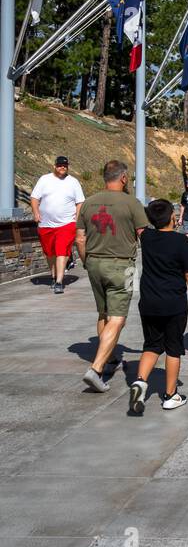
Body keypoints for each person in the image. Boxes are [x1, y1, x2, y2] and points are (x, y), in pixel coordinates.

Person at [75, 160, 149, 392]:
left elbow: (79, 238)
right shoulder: (132, 203)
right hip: (124, 265)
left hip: (94, 263)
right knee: (119, 317)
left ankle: (109, 359)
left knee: (104, 312)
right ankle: (96, 369)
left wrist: (87, 261)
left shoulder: (88, 203)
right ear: (124, 178)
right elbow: (143, 235)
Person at [128, 198, 188, 414]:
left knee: (151, 345)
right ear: (172, 217)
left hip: (149, 302)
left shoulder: (147, 238)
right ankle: (170, 395)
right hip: (174, 304)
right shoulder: (182, 242)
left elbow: (138, 222)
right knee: (173, 348)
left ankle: (140, 383)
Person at [30, 155, 85, 294]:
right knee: (50, 253)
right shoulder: (44, 179)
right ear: (54, 166)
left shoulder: (73, 182)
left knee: (62, 250)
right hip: (46, 224)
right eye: (60, 165)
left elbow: (80, 202)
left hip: (67, 224)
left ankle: (59, 281)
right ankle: (54, 276)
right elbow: (35, 198)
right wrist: (36, 212)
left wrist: (77, 218)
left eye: (65, 166)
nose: (63, 168)